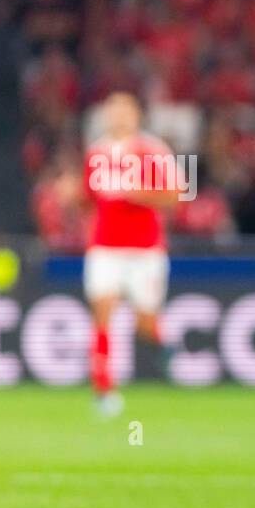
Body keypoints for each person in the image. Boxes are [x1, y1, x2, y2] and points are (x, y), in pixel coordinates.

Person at [77, 92, 180, 416]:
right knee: (102, 313)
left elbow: (176, 195)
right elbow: (89, 199)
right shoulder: (96, 154)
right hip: (105, 247)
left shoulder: (153, 151)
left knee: (145, 323)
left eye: (124, 111)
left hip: (144, 250)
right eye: (113, 111)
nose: (118, 117)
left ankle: (165, 344)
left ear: (137, 116)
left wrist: (138, 194)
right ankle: (104, 391)